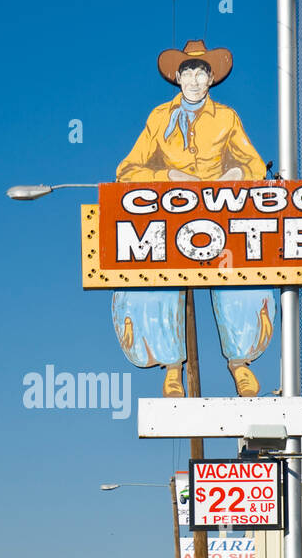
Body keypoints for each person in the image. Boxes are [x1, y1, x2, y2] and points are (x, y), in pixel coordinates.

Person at [114, 39, 276, 397]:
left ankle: (240, 366)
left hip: (221, 215)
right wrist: (167, 178)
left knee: (238, 277)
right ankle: (172, 370)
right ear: (178, 77)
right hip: (169, 220)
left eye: (200, 73)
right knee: (159, 283)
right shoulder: (159, 118)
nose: (194, 80)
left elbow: (254, 163)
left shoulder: (227, 118)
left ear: (210, 79)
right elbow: (126, 172)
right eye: (187, 72)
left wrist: (237, 175)